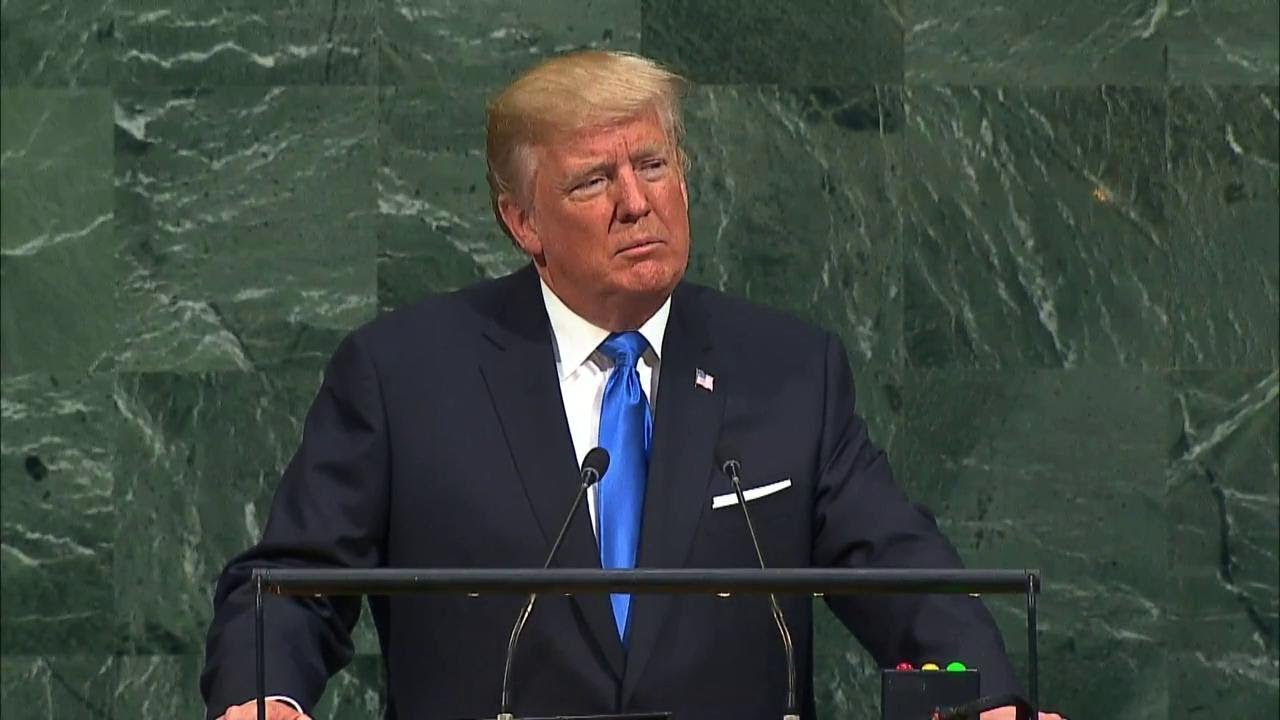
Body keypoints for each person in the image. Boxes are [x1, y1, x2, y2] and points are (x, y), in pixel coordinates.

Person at [203, 51, 1063, 720]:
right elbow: (289, 584)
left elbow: (896, 568)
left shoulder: (788, 370)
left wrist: (982, 699)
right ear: (522, 221)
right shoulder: (405, 375)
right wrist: (264, 696)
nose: (636, 202)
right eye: (593, 181)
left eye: (653, 165)